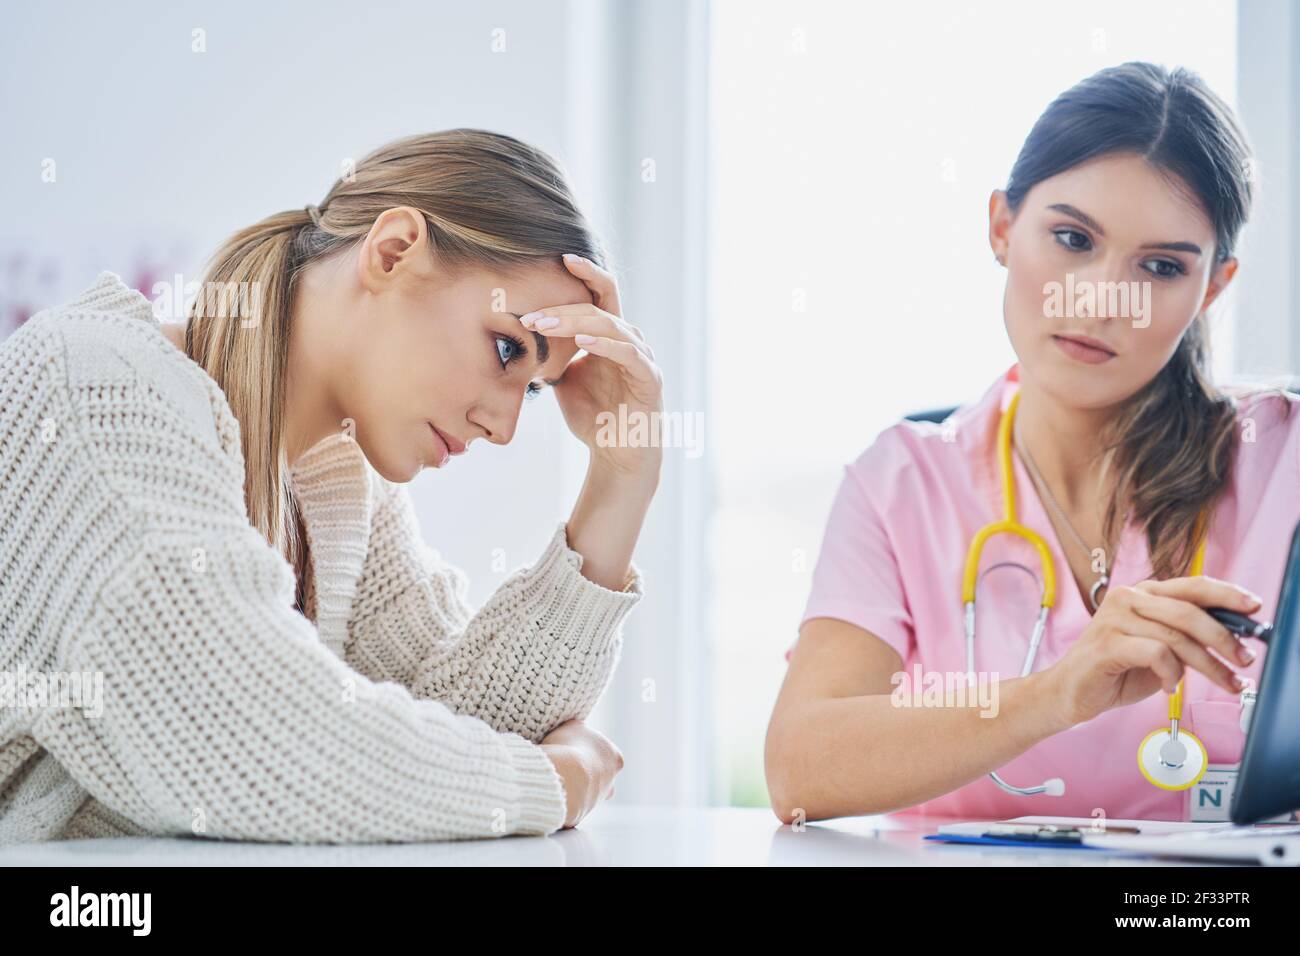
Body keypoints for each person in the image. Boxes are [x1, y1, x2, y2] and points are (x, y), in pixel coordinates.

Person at [0, 129, 663, 843]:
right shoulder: (91, 385)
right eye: (507, 349)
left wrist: (619, 481)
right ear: (394, 250)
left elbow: (456, 727)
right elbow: (250, 741)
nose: (503, 427)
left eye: (534, 391)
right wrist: (551, 785)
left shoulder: (336, 478)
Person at [767, 63, 1298, 823]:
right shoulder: (904, 484)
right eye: (1073, 238)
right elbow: (799, 769)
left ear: (1213, 287)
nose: (1100, 298)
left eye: (1161, 267)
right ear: (1001, 228)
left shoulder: (1285, 461)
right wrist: (1057, 692)